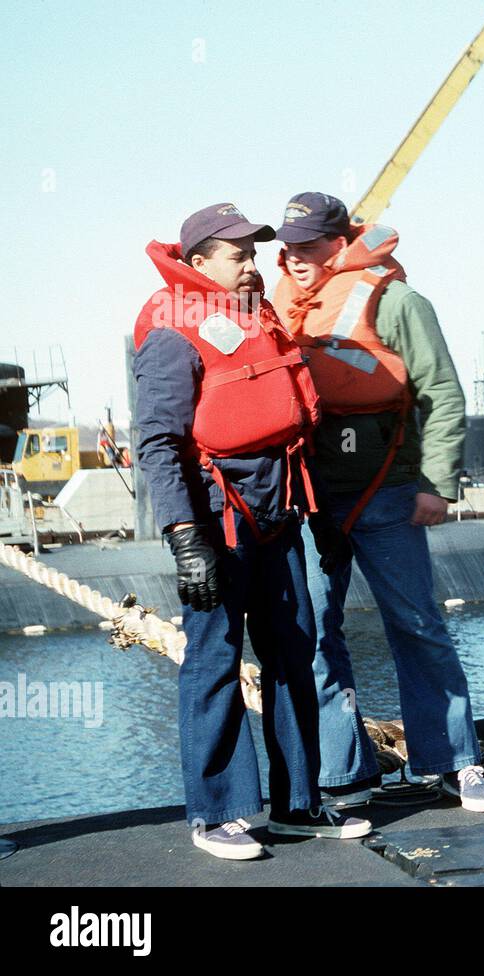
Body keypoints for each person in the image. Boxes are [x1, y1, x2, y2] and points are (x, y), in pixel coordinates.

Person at [133, 203, 370, 860]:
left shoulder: (258, 318)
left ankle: (299, 803)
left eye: (252, 253)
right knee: (212, 662)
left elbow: (295, 426)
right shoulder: (173, 333)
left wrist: (321, 522)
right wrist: (186, 539)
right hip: (217, 520)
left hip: (279, 515)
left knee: (293, 656)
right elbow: (156, 443)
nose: (252, 264)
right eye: (238, 254)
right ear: (198, 262)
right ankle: (217, 813)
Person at [269, 192, 484, 813]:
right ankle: (345, 773)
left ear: (341, 243)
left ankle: (453, 762)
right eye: (287, 249)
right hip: (311, 500)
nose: (294, 260)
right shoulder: (277, 311)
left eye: (310, 247)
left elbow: (442, 394)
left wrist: (436, 485)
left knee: (417, 624)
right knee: (312, 632)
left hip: (388, 493)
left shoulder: (397, 302)